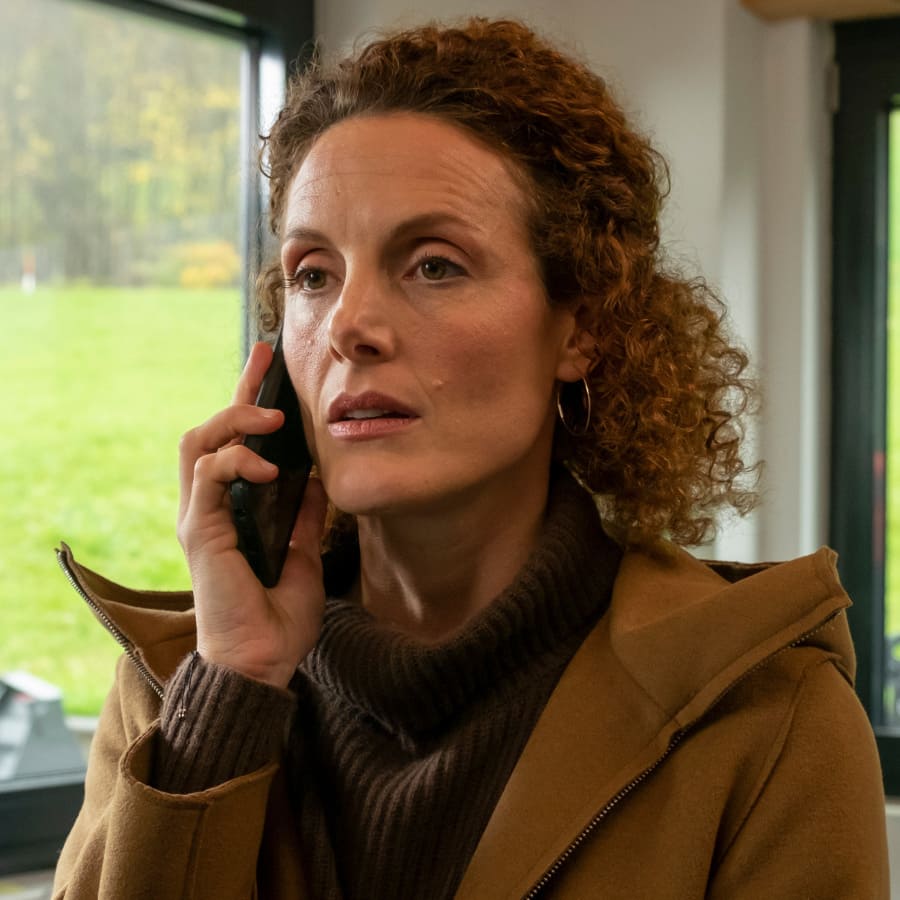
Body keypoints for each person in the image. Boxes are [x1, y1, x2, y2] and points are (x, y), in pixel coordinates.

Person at [53, 17, 888, 899]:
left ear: (581, 328)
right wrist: (229, 693)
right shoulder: (173, 692)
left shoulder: (765, 716)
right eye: (313, 274)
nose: (348, 326)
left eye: (434, 266)